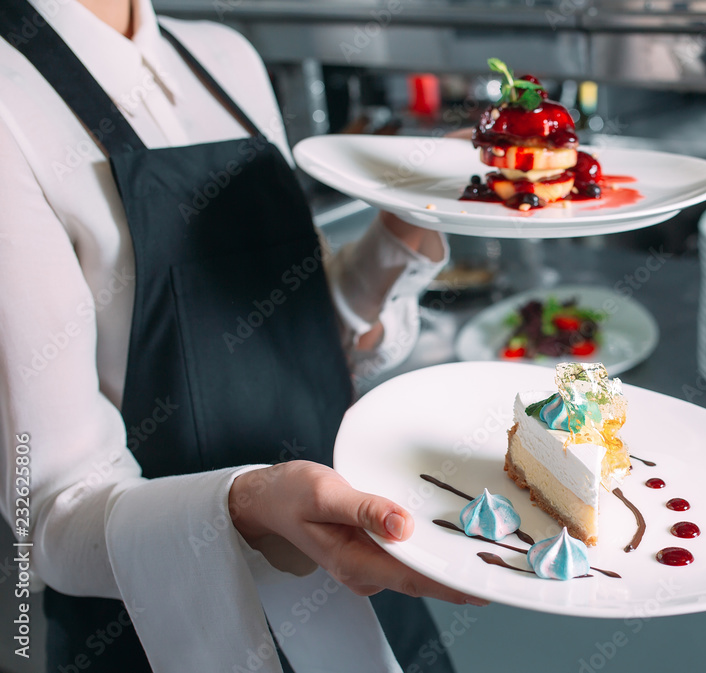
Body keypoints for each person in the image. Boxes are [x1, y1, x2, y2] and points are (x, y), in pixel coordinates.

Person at [0, 0, 485, 671]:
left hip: (356, 572)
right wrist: (251, 503)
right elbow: (49, 516)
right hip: (164, 627)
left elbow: (299, 342)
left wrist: (405, 221)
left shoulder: (227, 58)